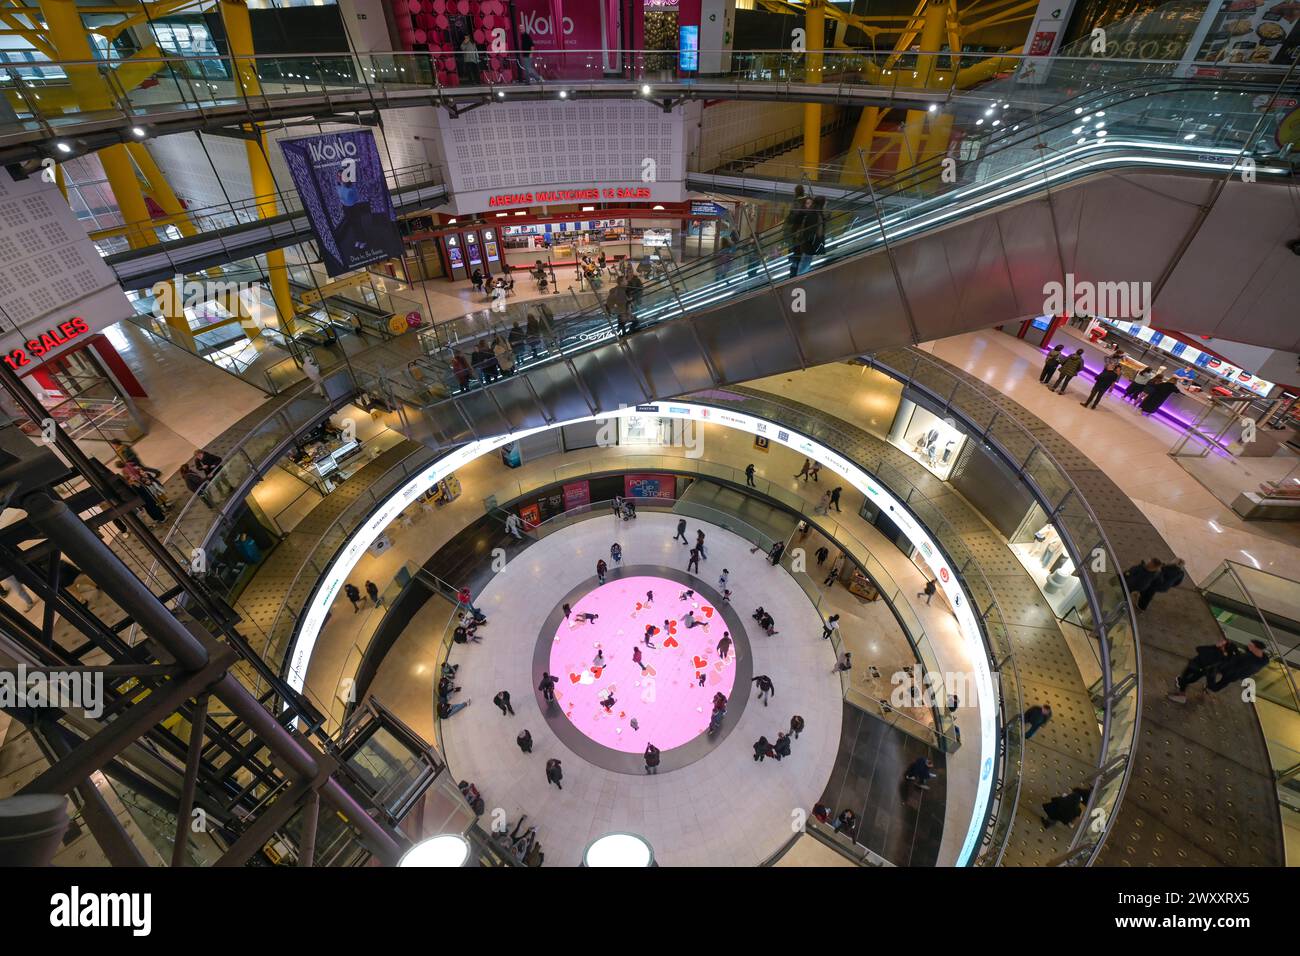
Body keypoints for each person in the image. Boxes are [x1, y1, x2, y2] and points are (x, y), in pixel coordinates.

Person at [1169, 639, 1270, 704]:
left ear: (1257, 648)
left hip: (1228, 672)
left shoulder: (1248, 659)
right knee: (1211, 680)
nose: (1248, 647)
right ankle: (1199, 686)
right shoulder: (1263, 659)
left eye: (1251, 646)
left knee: (1205, 677)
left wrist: (1223, 652)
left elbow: (1234, 662)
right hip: (1229, 671)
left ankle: (1183, 690)